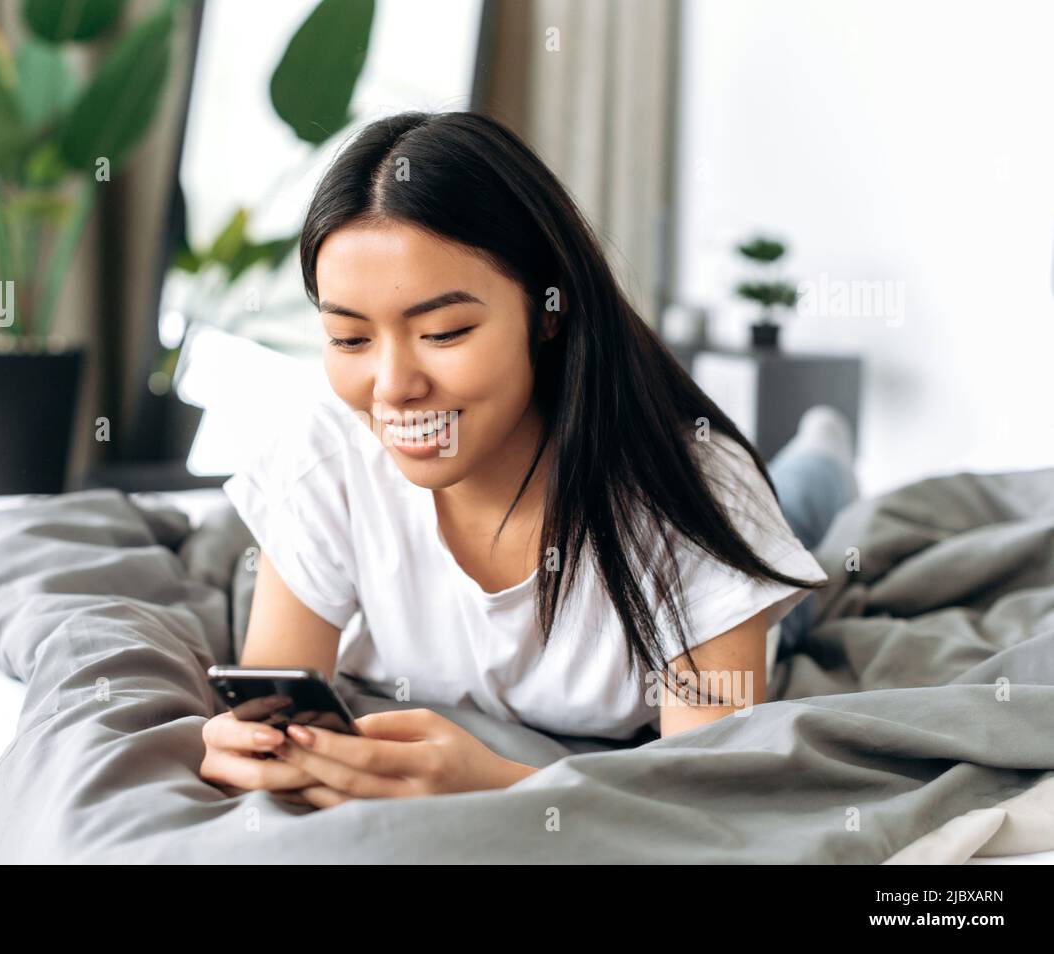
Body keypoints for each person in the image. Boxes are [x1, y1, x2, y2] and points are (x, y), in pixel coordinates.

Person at [200, 111, 845, 808]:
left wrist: (496, 789)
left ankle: (825, 451)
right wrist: (252, 751)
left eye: (444, 332)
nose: (392, 388)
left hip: (738, 555)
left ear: (548, 308)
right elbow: (275, 719)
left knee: (802, 515)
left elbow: (702, 803)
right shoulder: (325, 461)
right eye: (350, 339)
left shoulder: (697, 495)